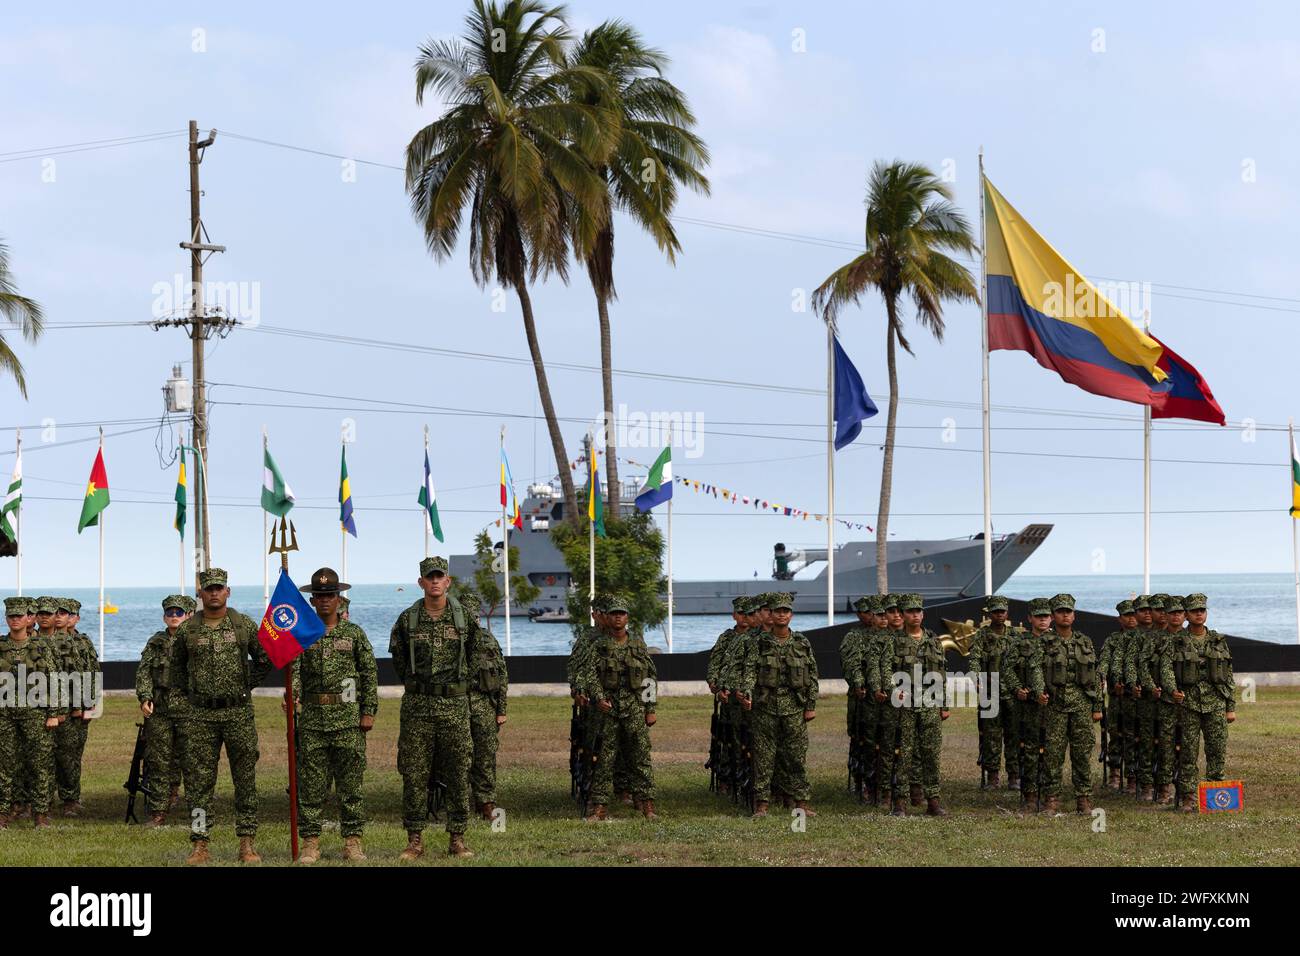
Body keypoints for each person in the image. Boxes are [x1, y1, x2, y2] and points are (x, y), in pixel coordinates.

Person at [170, 568, 273, 864]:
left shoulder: (243, 625)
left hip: (238, 713)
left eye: (219, 588)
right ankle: (200, 843)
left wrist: (244, 685)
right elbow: (176, 669)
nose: (214, 593)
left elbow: (265, 659)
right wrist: (191, 696)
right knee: (200, 783)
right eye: (209, 588)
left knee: (245, 779)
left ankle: (247, 842)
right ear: (200, 594)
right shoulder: (188, 630)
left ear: (228, 591)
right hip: (200, 715)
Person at [389, 556, 478, 860]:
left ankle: (457, 837)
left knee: (458, 770)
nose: (435, 581)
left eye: (440, 577)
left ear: (448, 581)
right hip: (417, 706)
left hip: (454, 705)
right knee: (414, 772)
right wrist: (421, 686)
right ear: (421, 583)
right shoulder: (407, 619)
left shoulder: (464, 617)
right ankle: (414, 839)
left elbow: (477, 656)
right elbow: (399, 661)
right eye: (430, 577)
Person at [291, 568, 378, 863]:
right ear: (312, 600)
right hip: (314, 718)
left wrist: (368, 711)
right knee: (311, 787)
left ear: (339, 599)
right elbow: (294, 672)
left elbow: (368, 674)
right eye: (320, 596)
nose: (325, 600)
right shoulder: (303, 633)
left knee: (350, 786)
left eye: (330, 595)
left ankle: (353, 842)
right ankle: (310, 843)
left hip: (348, 719)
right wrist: (292, 696)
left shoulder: (354, 634)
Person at [576, 593, 657, 821]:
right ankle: (599, 807)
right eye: (613, 614)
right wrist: (598, 697)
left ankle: (648, 805)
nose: (618, 618)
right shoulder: (599, 645)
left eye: (621, 614)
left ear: (627, 617)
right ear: (607, 618)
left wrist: (650, 708)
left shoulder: (638, 645)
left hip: (633, 708)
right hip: (608, 710)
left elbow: (650, 677)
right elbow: (589, 674)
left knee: (640, 756)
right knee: (604, 759)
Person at [737, 591, 817, 819]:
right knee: (763, 758)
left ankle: (801, 803)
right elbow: (750, 670)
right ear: (770, 614)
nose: (782, 615)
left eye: (786, 611)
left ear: (791, 615)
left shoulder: (801, 642)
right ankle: (761, 805)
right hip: (765, 707)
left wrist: (810, 706)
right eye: (777, 611)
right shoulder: (758, 642)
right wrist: (745, 693)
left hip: (794, 708)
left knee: (796, 757)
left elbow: (812, 676)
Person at [1163, 593, 1235, 812]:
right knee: (1188, 751)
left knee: (1216, 749)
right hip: (1189, 704)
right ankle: (1188, 797)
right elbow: (1166, 668)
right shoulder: (1175, 641)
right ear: (1186, 615)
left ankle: (1216, 796)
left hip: (1215, 703)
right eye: (1194, 611)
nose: (1198, 614)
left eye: (1202, 610)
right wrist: (1172, 689)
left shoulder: (1218, 641)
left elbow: (1228, 674)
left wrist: (1230, 706)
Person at [135, 594, 195, 826]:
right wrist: (145, 697)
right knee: (158, 760)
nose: (173, 616)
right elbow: (144, 672)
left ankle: (196, 811)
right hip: (160, 708)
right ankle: (158, 811)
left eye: (178, 612)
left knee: (191, 761)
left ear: (189, 615)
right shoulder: (155, 642)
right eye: (169, 612)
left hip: (188, 708)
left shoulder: (196, 639)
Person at [0, 597, 60, 829]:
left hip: (35, 713)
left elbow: (54, 681)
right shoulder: (1, 646)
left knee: (38, 764)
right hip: (4, 714)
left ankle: (40, 816)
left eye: (20, 616)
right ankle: (3, 814)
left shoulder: (41, 648)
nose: (15, 620)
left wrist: (53, 712)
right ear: (6, 619)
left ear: (29, 619)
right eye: (11, 616)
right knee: (4, 765)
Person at [1040, 594, 1102, 815]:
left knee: (1082, 754)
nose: (1065, 615)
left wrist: (1097, 707)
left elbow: (1095, 675)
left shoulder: (1084, 641)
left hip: (1081, 706)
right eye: (1060, 611)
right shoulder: (1044, 642)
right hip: (1055, 706)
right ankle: (1051, 799)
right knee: (1053, 755)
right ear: (1054, 615)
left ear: (1074, 615)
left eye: (1068, 611)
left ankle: (1083, 799)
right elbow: (1037, 671)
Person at [462, 589, 508, 821]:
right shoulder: (452, 641)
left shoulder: (488, 640)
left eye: (474, 616)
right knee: (458, 755)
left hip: (483, 705)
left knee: (485, 755)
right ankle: (458, 802)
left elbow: (501, 675)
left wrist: (501, 710)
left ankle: (486, 801)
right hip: (456, 704)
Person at [1003, 598, 1049, 810]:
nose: (1043, 620)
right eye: (1038, 616)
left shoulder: (1056, 641)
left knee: (1051, 750)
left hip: (1052, 705)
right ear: (1030, 618)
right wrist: (1016, 688)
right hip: (1028, 704)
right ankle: (1030, 794)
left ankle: (1050, 792)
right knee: (1029, 749)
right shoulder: (1020, 642)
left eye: (1046, 616)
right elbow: (1008, 669)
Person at [968, 595, 1013, 789]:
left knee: (1014, 735)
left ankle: (1015, 776)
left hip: (1012, 692)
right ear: (990, 614)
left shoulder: (1015, 636)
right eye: (995, 611)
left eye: (1002, 611)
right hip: (990, 690)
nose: (999, 615)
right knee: (991, 735)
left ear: (1007, 613)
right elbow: (974, 659)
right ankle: (992, 776)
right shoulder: (981, 635)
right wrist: (977, 679)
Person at [1099, 599, 1137, 792]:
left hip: (1138, 697)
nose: (1131, 619)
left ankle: (1132, 776)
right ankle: (1114, 772)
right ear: (1119, 619)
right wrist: (1104, 678)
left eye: (1133, 614)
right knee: (1115, 734)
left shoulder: (1144, 638)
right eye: (1127, 615)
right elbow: (1104, 661)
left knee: (1134, 736)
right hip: (1117, 696)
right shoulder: (1112, 640)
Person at [840, 596, 875, 800]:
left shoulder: (887, 636)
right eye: (865, 612)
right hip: (860, 697)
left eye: (873, 612)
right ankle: (859, 780)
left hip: (881, 697)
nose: (869, 616)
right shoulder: (853, 637)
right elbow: (849, 666)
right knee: (860, 739)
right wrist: (858, 684)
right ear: (859, 614)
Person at [1127, 595, 1158, 801]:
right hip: (1143, 697)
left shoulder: (1169, 636)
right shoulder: (1133, 637)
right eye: (1143, 610)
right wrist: (1132, 685)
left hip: (1170, 698)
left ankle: (1165, 784)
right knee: (1143, 740)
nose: (1148, 613)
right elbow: (1129, 664)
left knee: (1168, 742)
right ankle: (1143, 782)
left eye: (1152, 609)